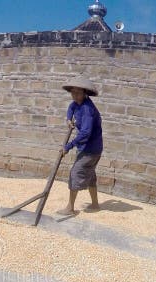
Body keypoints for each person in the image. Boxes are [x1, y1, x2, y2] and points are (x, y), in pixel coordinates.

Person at [57, 76, 103, 216]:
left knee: (75, 173)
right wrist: (68, 119)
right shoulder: (77, 103)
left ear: (85, 93)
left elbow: (85, 133)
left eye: (78, 93)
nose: (75, 95)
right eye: (73, 92)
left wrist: (68, 146)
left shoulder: (87, 110)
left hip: (91, 150)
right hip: (91, 149)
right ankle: (95, 204)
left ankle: (70, 208)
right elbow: (71, 107)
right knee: (90, 175)